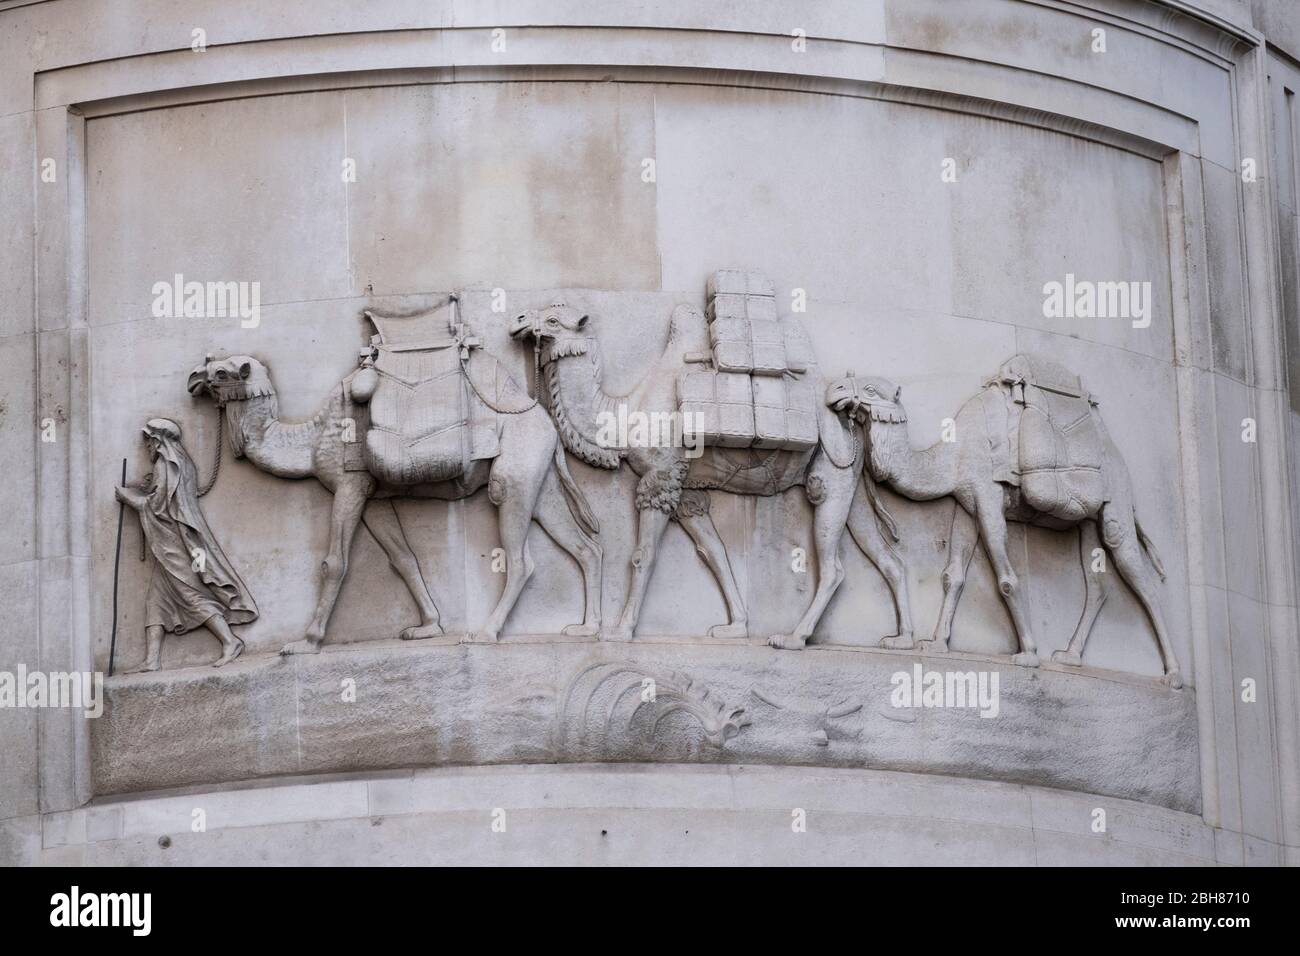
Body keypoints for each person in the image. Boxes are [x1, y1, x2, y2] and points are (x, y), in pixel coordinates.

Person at [115, 418, 257, 671]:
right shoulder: (179, 464)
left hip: (175, 546)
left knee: (192, 595)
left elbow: (157, 507)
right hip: (172, 545)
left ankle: (230, 641)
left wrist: (129, 497)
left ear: (158, 442)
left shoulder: (166, 465)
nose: (146, 446)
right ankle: (152, 660)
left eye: (148, 441)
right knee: (156, 601)